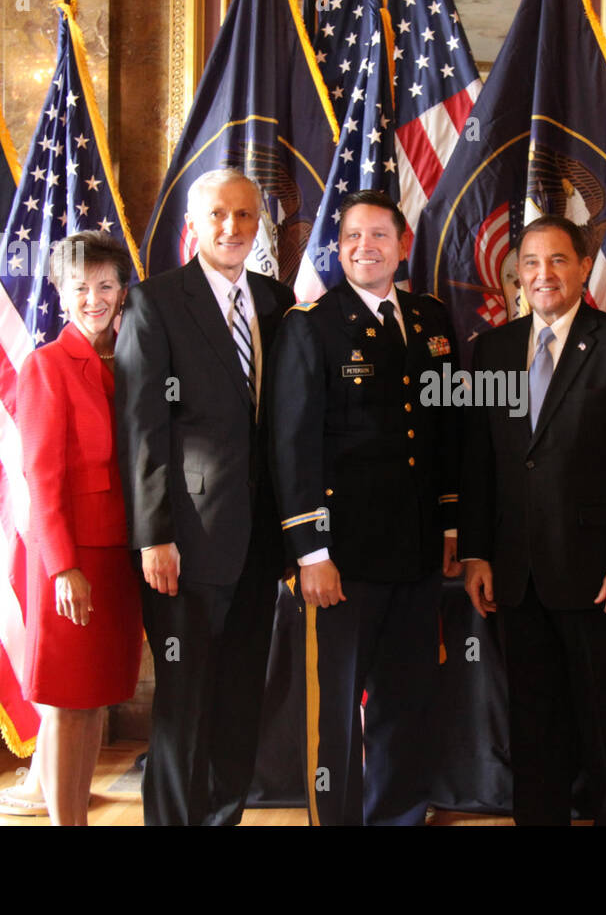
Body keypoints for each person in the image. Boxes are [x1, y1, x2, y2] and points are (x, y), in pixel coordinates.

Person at [460, 215, 606, 826]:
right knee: (533, 726)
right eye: (530, 263)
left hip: (598, 577)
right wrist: (476, 552)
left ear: (582, 267)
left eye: (557, 261)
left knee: (605, 728)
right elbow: (480, 461)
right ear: (516, 275)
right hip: (516, 576)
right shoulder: (492, 349)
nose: (543, 274)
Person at [270, 190, 461, 826]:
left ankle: (398, 817)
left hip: (415, 550)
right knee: (336, 713)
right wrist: (311, 553)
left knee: (406, 703)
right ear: (339, 247)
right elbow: (293, 445)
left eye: (378, 235)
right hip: (342, 558)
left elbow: (443, 430)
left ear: (402, 245)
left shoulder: (432, 320)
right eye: (351, 237)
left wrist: (451, 520)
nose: (364, 247)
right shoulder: (311, 325)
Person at [114, 168, 293, 826]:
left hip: (257, 544)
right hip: (184, 544)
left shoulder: (276, 303)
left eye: (245, 216)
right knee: (185, 703)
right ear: (195, 223)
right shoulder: (155, 301)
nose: (233, 228)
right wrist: (153, 536)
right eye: (220, 214)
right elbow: (142, 426)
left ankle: (222, 819)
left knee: (239, 700)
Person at [15, 230, 142, 826]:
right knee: (68, 703)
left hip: (122, 556)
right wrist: (63, 565)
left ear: (122, 291)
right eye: (80, 286)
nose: (94, 297)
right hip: (73, 562)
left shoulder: (135, 359)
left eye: (105, 285)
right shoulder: (46, 366)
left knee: (95, 701)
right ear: (61, 293)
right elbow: (41, 478)